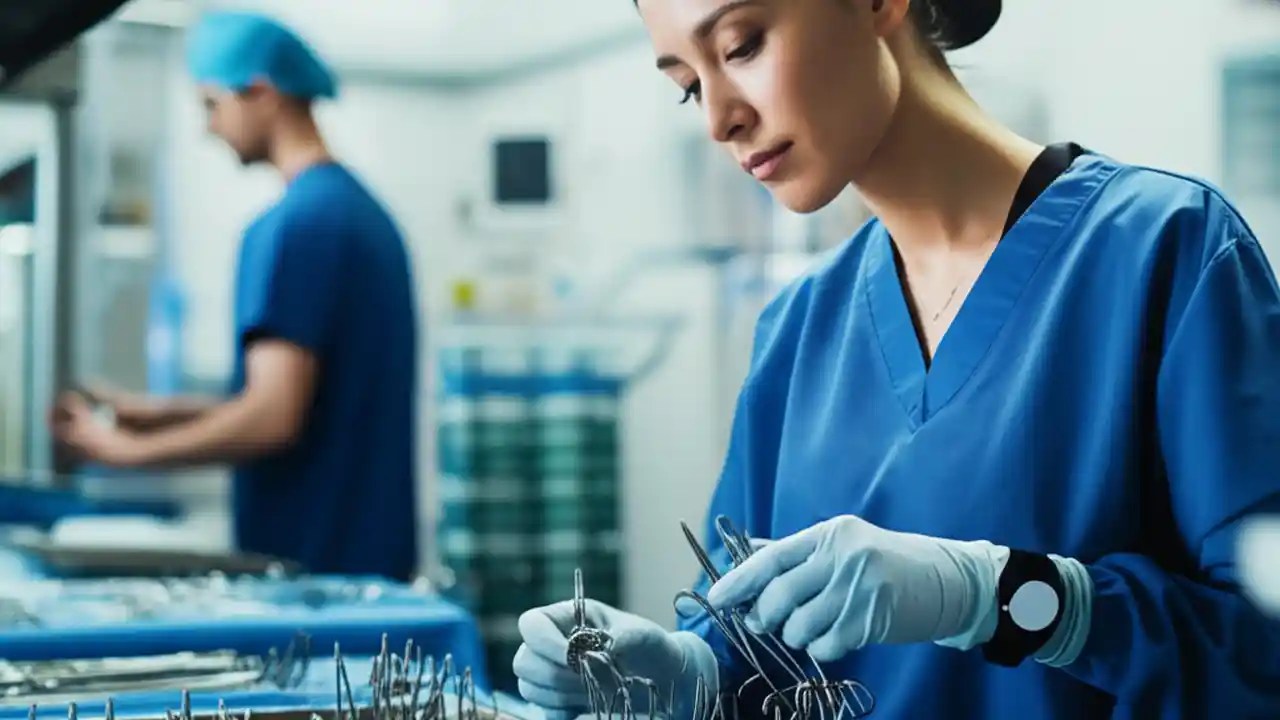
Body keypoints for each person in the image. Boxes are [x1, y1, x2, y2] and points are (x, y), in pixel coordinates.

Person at [511, 0, 1280, 717]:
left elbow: (1260, 656)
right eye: (686, 86)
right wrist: (694, 675)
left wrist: (1004, 596)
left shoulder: (1164, 250)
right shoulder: (798, 330)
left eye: (741, 46)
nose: (719, 118)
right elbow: (763, 651)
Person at [51, 11, 420, 582]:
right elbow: (312, 401)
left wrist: (121, 453)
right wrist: (148, 414)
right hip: (369, 568)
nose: (208, 129)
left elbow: (272, 417)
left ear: (261, 92)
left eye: (211, 106)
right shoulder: (359, 214)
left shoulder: (297, 224)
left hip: (315, 574)